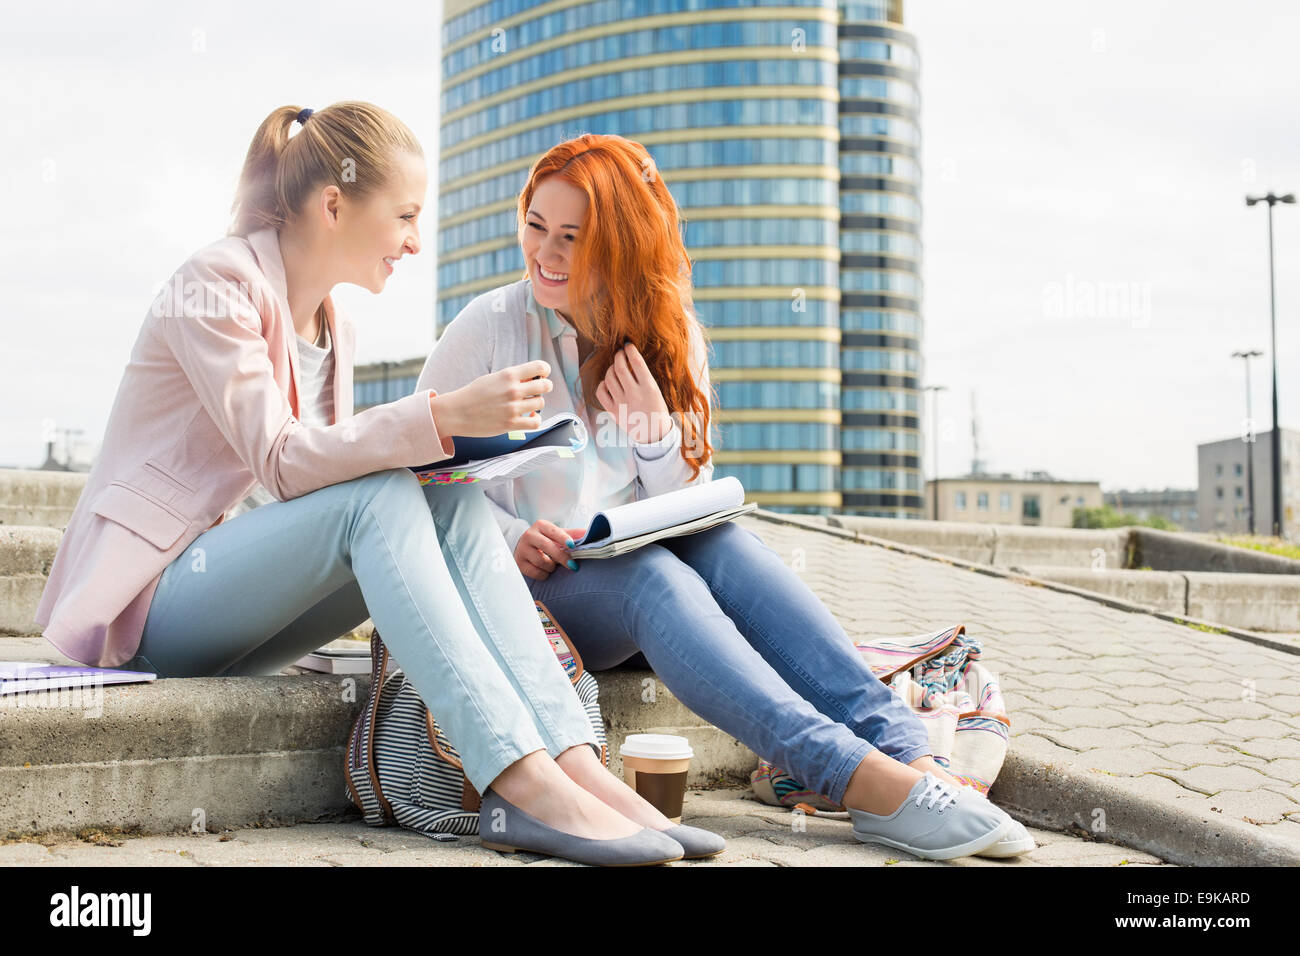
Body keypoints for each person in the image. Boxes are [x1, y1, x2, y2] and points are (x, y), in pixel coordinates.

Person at [32, 105, 725, 867]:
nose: (414, 240)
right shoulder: (218, 283)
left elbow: (318, 484)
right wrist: (442, 413)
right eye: (404, 215)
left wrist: (453, 442)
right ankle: (520, 780)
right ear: (336, 204)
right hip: (149, 603)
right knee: (387, 492)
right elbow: (284, 461)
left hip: (241, 605)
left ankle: (576, 765)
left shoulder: (334, 323)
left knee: (445, 487)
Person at [417, 133, 1035, 861]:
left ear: (618, 245)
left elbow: (684, 507)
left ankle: (912, 759)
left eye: (571, 238)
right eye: (535, 227)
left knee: (723, 542)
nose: (545, 254)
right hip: (529, 592)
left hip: (631, 581)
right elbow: (420, 481)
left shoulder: (670, 335)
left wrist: (652, 431)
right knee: (654, 575)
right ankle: (858, 780)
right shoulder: (489, 329)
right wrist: (506, 534)